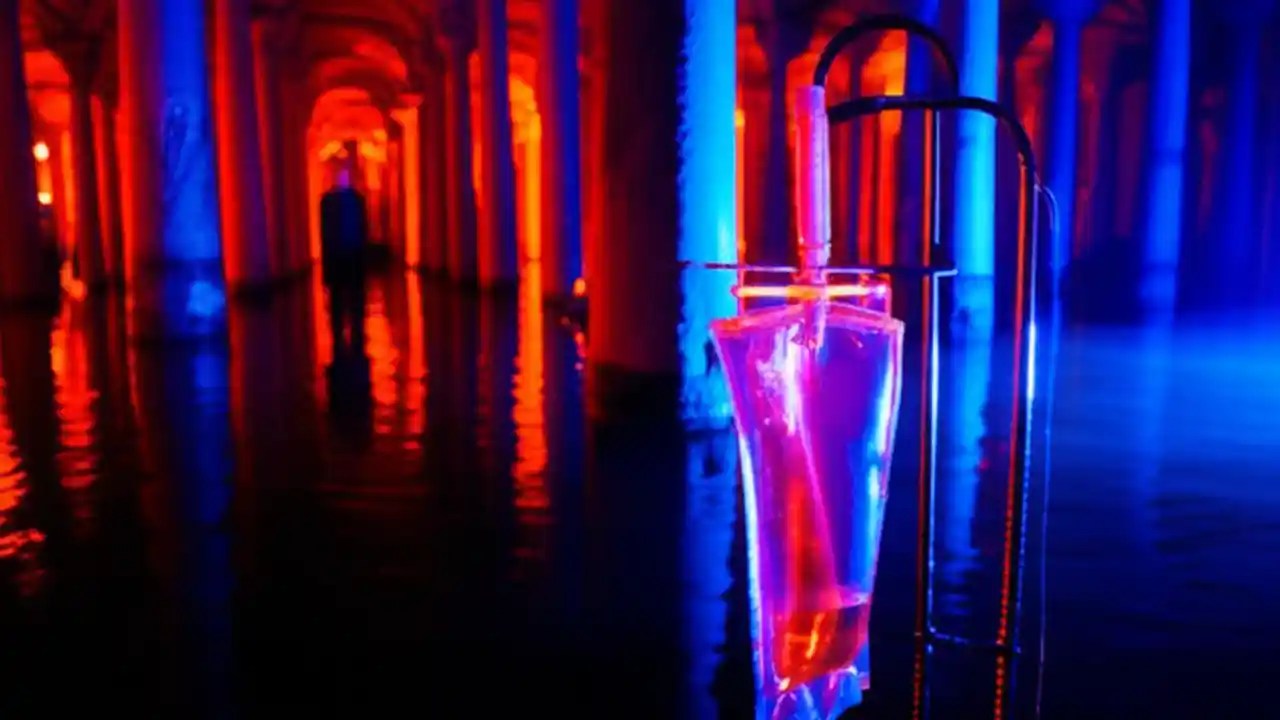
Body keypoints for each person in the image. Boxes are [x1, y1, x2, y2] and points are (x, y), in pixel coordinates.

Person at [320, 165, 369, 347]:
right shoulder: (354, 200)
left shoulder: (331, 201)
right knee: (343, 297)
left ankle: (346, 338)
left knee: (346, 297)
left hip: (346, 253)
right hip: (344, 253)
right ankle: (350, 338)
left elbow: (362, 228)